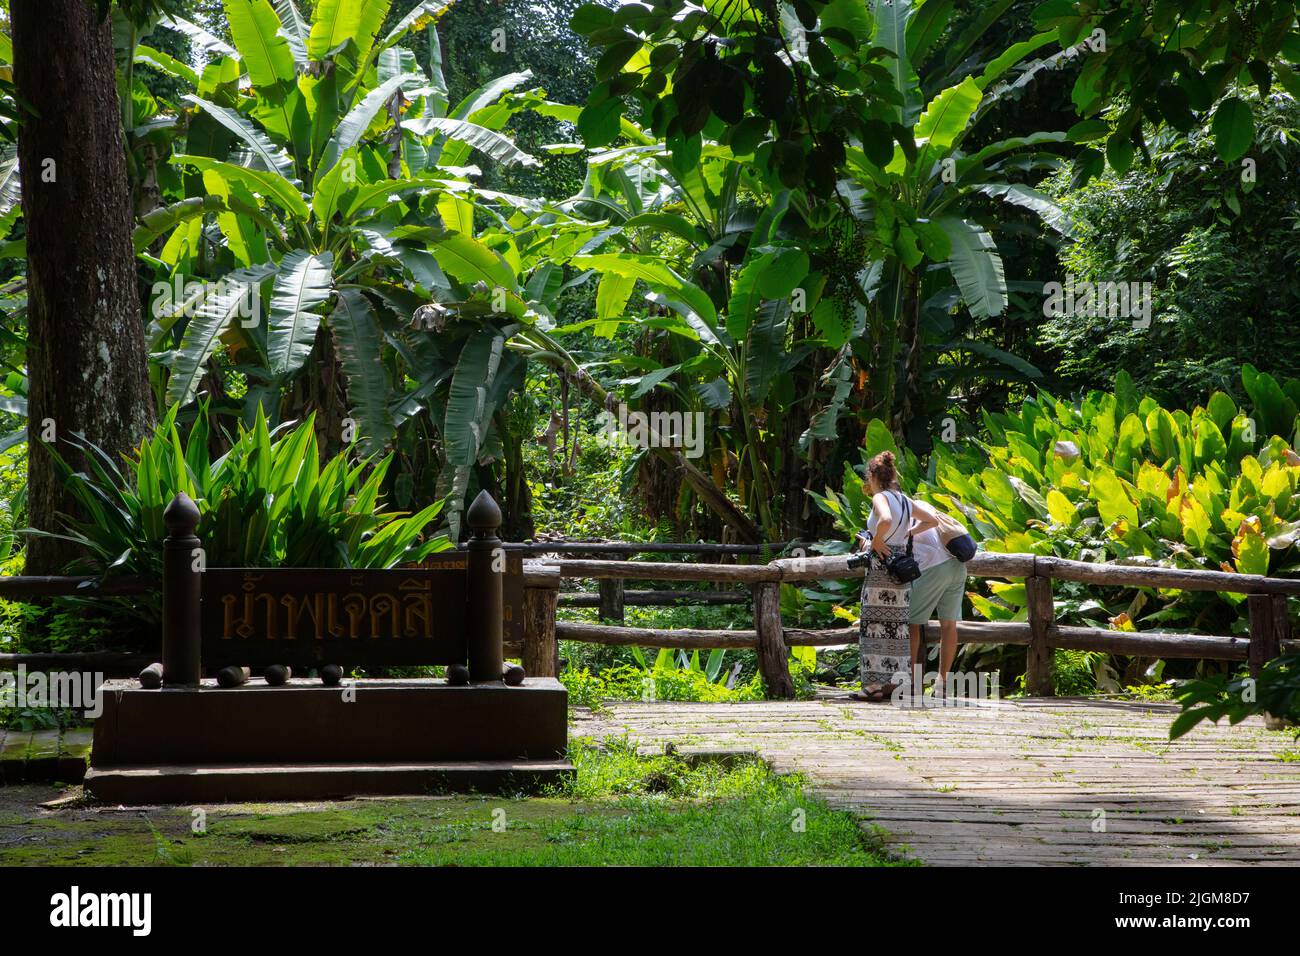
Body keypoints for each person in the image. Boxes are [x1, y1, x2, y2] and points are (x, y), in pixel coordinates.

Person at [849, 451, 935, 702]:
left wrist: (876, 540)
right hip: (901, 571)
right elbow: (931, 520)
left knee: (872, 626)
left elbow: (885, 519)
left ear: (873, 476)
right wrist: (908, 533)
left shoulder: (880, 497)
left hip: (881, 569)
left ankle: (873, 685)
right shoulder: (905, 500)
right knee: (896, 629)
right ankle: (896, 683)